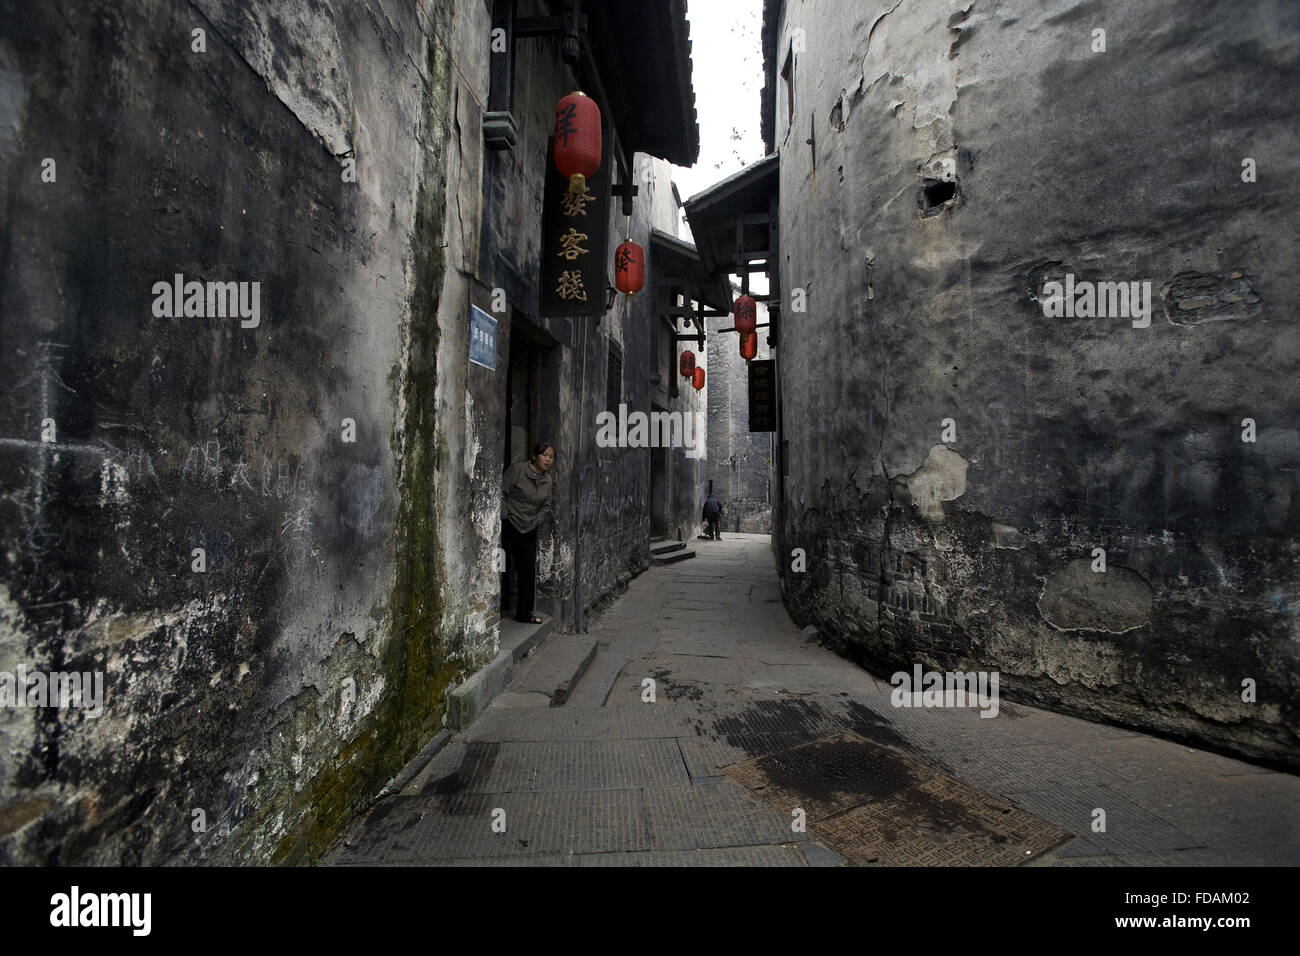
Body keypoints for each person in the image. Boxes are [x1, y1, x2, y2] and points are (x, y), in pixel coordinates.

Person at [501, 442, 555, 624]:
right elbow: (501, 492)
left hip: (529, 528)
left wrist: (536, 522)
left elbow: (546, 506)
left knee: (527, 573)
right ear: (534, 456)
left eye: (551, 457)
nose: (548, 459)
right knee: (501, 567)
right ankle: (497, 608)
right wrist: (504, 516)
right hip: (509, 525)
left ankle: (524, 614)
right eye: (545, 455)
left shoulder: (548, 480)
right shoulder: (517, 470)